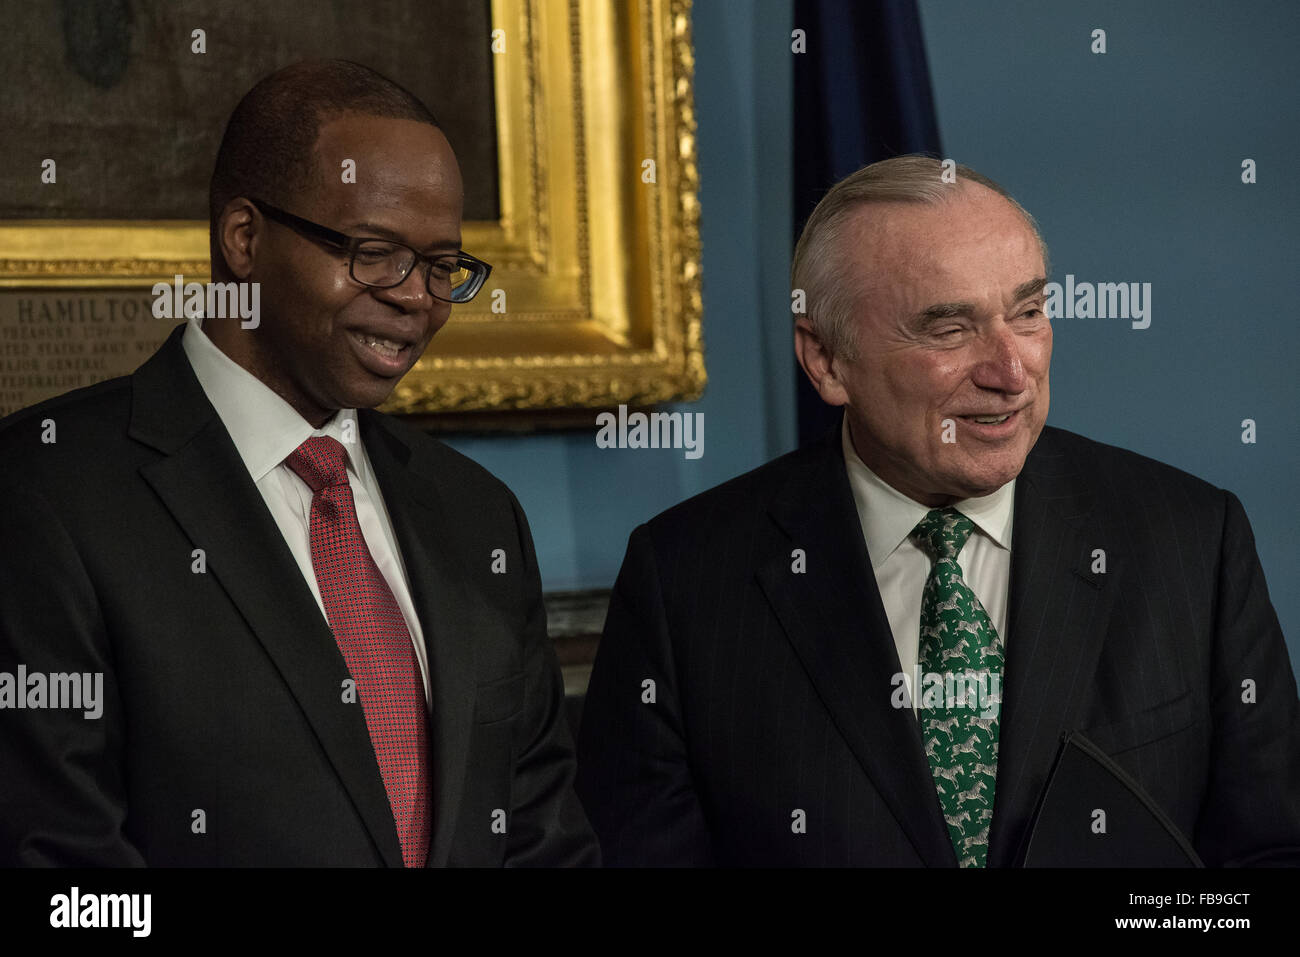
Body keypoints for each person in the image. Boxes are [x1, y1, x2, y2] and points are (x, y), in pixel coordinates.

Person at [575, 155, 1300, 867]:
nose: (1010, 371)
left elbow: (1270, 853)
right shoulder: (687, 581)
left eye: (1028, 312)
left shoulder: (1191, 541)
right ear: (826, 360)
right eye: (949, 330)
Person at [0, 59, 598, 867]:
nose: (416, 297)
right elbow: (62, 873)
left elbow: (542, 841)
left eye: (442, 266)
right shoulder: (49, 493)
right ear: (245, 239)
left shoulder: (477, 514)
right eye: (375, 251)